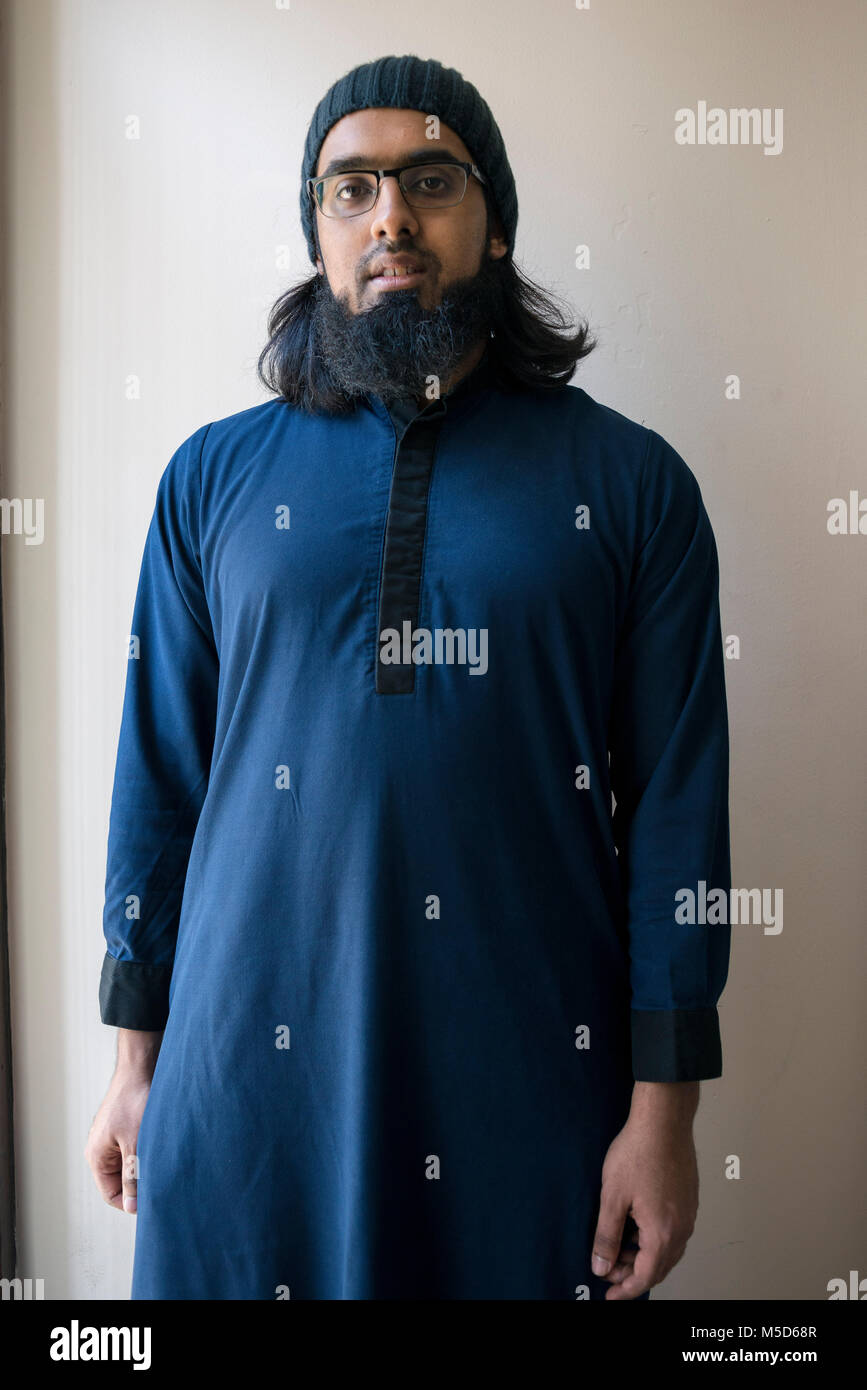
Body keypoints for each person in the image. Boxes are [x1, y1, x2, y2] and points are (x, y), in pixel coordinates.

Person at [85, 54, 731, 1301]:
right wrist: (132, 1057)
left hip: (529, 1087)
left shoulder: (632, 487)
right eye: (352, 189)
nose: (390, 217)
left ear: (496, 224)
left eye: (431, 181)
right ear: (318, 234)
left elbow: (676, 816)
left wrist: (667, 1114)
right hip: (247, 1087)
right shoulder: (210, 482)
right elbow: (158, 781)